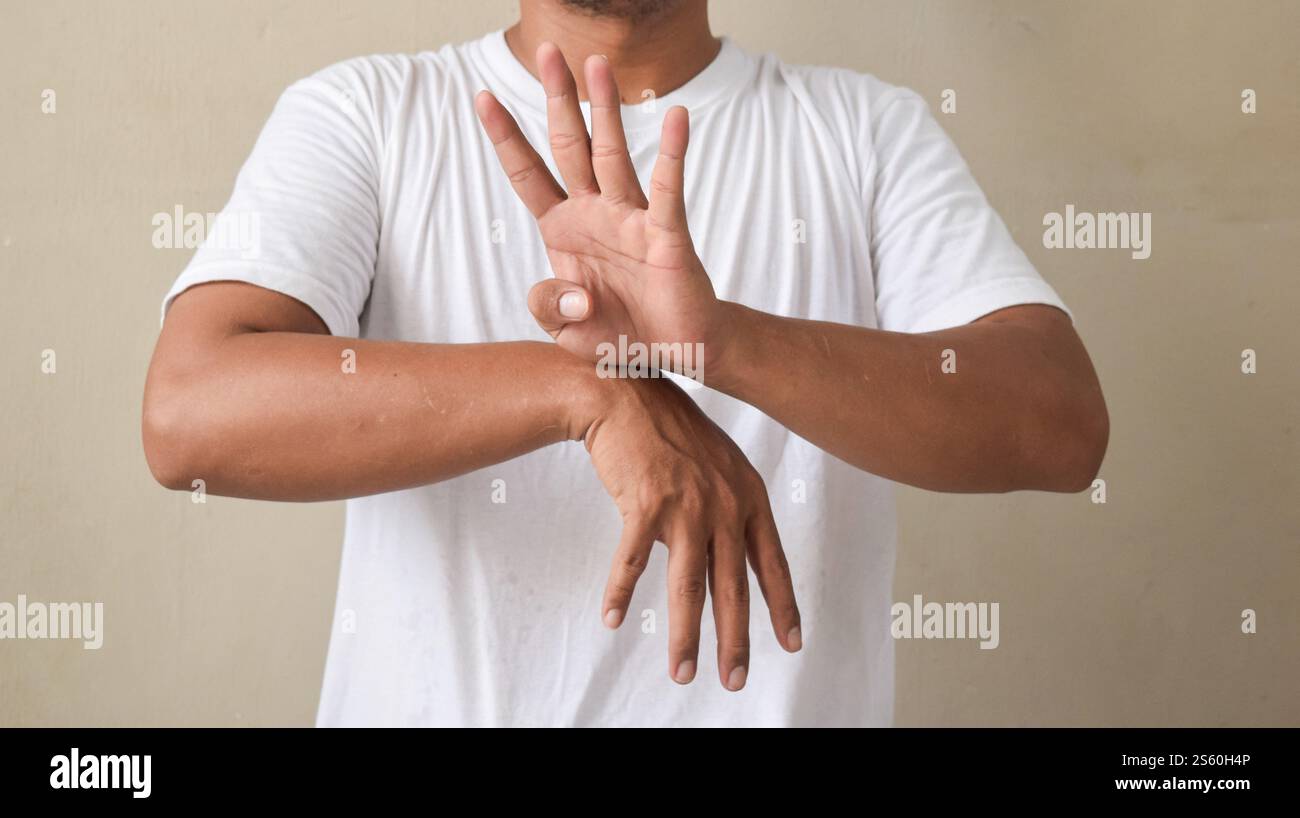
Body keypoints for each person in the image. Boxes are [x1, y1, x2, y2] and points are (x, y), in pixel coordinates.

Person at [143, 0, 1108, 726]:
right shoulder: (366, 113)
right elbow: (191, 414)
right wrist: (587, 392)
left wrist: (722, 342)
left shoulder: (865, 130)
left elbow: (1057, 423)